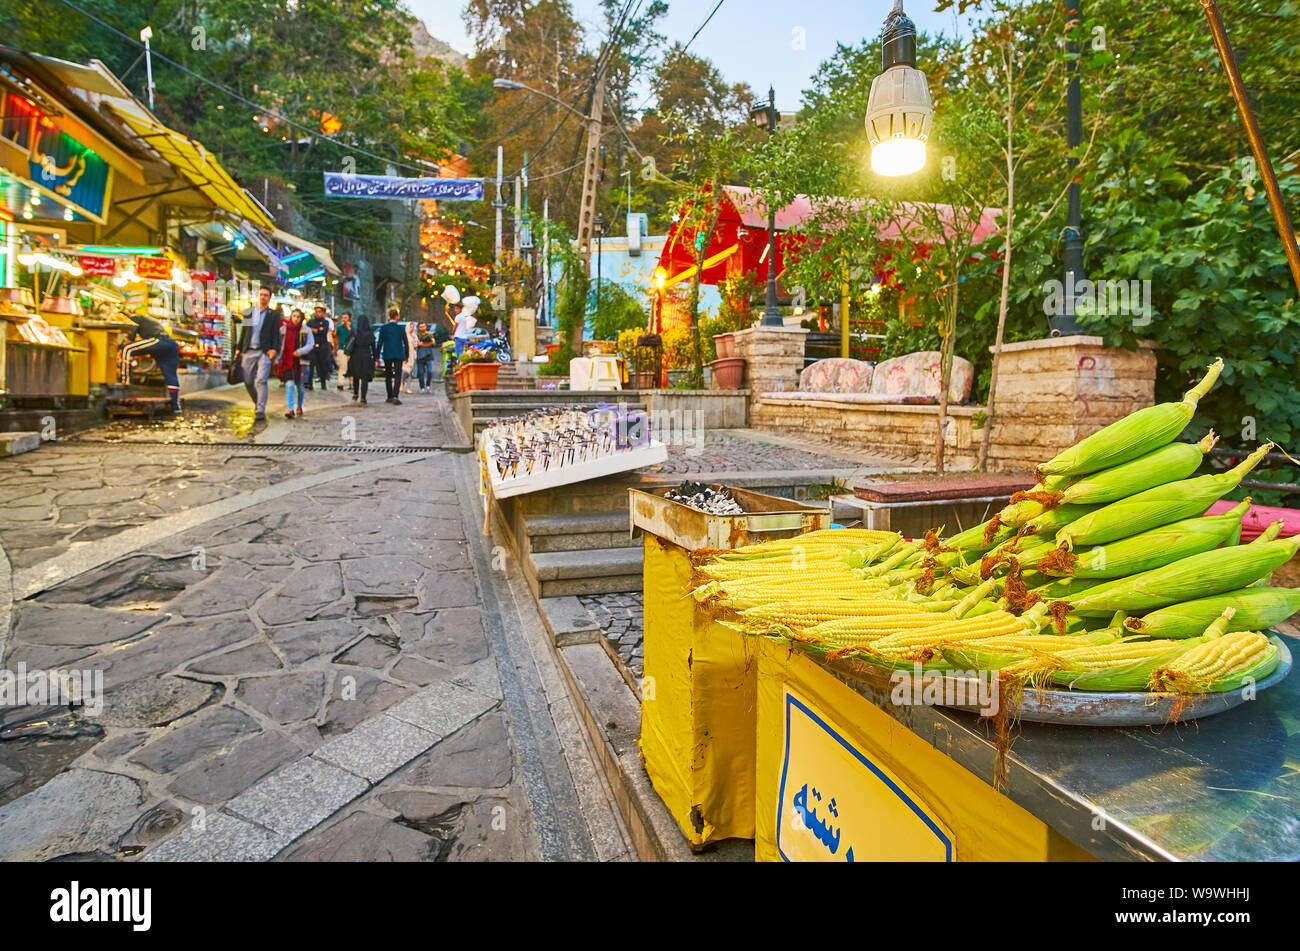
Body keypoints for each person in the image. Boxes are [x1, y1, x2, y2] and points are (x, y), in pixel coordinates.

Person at [234, 285, 282, 422]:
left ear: (270, 298)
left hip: (264, 351)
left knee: (262, 379)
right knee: (248, 380)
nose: (263, 297)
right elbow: (244, 332)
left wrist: (275, 349)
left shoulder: (273, 315)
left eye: (266, 295)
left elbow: (276, 335)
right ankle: (257, 401)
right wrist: (238, 348)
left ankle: (260, 409)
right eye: (261, 294)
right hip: (248, 351)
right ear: (257, 296)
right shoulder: (249, 313)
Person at [120, 312, 183, 413]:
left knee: (127, 349)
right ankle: (175, 406)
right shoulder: (148, 320)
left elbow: (131, 337)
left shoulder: (134, 318)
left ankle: (125, 382)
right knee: (171, 375)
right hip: (171, 345)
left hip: (158, 340)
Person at [276, 308, 315, 418]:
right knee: (289, 384)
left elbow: (310, 344)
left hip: (301, 362)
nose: (296, 319)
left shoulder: (306, 330)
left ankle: (299, 406)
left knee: (300, 386)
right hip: (288, 361)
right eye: (294, 316)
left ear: (301, 318)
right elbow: (279, 345)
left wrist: (300, 351)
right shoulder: (283, 330)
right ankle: (290, 408)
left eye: (298, 317)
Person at [377, 307, 409, 405]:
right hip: (398, 354)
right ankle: (396, 395)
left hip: (387, 353)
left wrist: (377, 356)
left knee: (388, 375)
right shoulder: (400, 328)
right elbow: (406, 342)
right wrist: (406, 355)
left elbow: (380, 342)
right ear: (397, 317)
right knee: (397, 375)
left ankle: (389, 395)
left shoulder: (384, 328)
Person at [345, 313, 376, 404]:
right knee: (364, 378)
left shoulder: (354, 332)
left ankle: (355, 393)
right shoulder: (370, 334)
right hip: (366, 357)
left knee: (356, 377)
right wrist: (375, 358)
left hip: (355, 357)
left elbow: (348, 342)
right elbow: (373, 347)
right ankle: (363, 397)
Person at [304, 304, 332, 390]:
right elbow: (307, 331)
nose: (317, 313)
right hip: (312, 346)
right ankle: (309, 383)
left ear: (323, 313)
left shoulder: (325, 322)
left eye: (319, 312)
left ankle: (323, 383)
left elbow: (322, 332)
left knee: (322, 366)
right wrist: (315, 330)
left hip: (322, 347)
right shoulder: (311, 322)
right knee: (311, 365)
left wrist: (313, 330)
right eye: (316, 311)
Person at [452, 292, 477, 361]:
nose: (455, 310)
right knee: (462, 352)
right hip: (463, 337)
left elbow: (455, 327)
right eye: (455, 309)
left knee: (459, 354)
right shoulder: (464, 316)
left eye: (456, 309)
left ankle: (460, 366)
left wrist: (453, 334)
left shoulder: (458, 316)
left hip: (458, 337)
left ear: (460, 309)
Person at [415, 322, 437, 392]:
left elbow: (433, 342)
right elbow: (417, 344)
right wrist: (427, 344)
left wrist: (423, 344)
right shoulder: (417, 335)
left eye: (424, 326)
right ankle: (422, 387)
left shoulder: (430, 334)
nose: (423, 328)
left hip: (428, 354)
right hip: (420, 355)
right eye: (421, 327)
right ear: (419, 328)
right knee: (421, 373)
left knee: (430, 371)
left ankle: (428, 385)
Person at [334, 312, 353, 391]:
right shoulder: (339, 328)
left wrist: (349, 328)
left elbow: (355, 336)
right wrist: (336, 348)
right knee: (342, 366)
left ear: (349, 319)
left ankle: (351, 383)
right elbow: (337, 338)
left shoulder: (353, 327)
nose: (343, 319)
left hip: (351, 349)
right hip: (342, 348)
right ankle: (340, 383)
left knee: (351, 367)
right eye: (343, 318)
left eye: (345, 318)